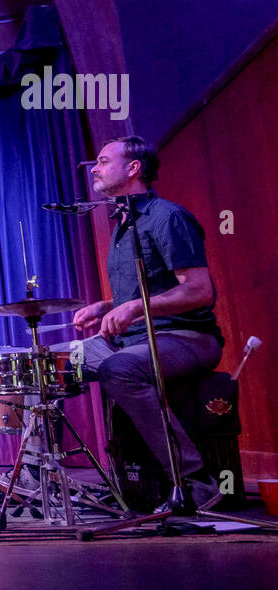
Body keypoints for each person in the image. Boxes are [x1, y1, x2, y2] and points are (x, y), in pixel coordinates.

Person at [71, 136, 223, 512]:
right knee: (46, 365)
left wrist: (136, 308)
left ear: (134, 168)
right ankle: (42, 479)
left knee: (119, 369)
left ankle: (194, 483)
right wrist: (107, 305)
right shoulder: (123, 225)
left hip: (186, 337)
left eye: (104, 161)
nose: (95, 168)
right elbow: (150, 287)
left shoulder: (167, 217)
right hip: (136, 338)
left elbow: (200, 291)